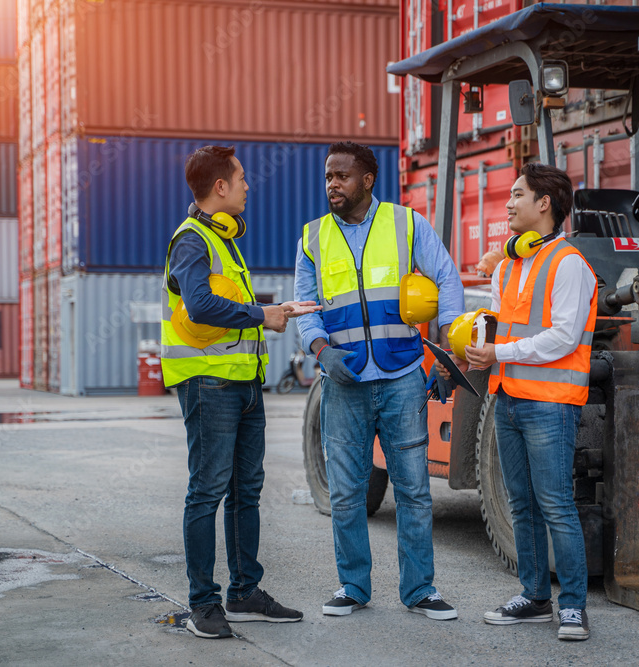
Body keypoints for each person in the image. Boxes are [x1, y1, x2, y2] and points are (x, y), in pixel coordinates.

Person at [294, 141, 465, 620]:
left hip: (402, 377)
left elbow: (447, 279)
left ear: (367, 180)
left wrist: (450, 342)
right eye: (328, 176)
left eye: (342, 176)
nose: (332, 185)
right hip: (344, 383)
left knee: (413, 489)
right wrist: (321, 350)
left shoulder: (407, 224)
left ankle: (420, 590)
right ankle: (352, 586)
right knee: (347, 492)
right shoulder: (312, 237)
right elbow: (304, 309)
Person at [161, 145, 320, 639]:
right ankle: (203, 604)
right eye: (242, 179)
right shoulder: (191, 241)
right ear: (221, 187)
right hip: (209, 384)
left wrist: (274, 312)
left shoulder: (223, 239)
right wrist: (260, 315)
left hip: (244, 382)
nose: (249, 186)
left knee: (245, 489)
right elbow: (200, 305)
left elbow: (226, 304)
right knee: (207, 491)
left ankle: (245, 592)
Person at [464, 162, 597, 641]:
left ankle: (574, 607)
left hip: (549, 403)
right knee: (521, 503)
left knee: (557, 504)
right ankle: (535, 595)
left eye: (517, 194)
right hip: (507, 398)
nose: (508, 202)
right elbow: (499, 325)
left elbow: (563, 337)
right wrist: (475, 350)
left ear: (545, 204)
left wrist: (498, 350)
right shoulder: (511, 266)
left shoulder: (570, 265)